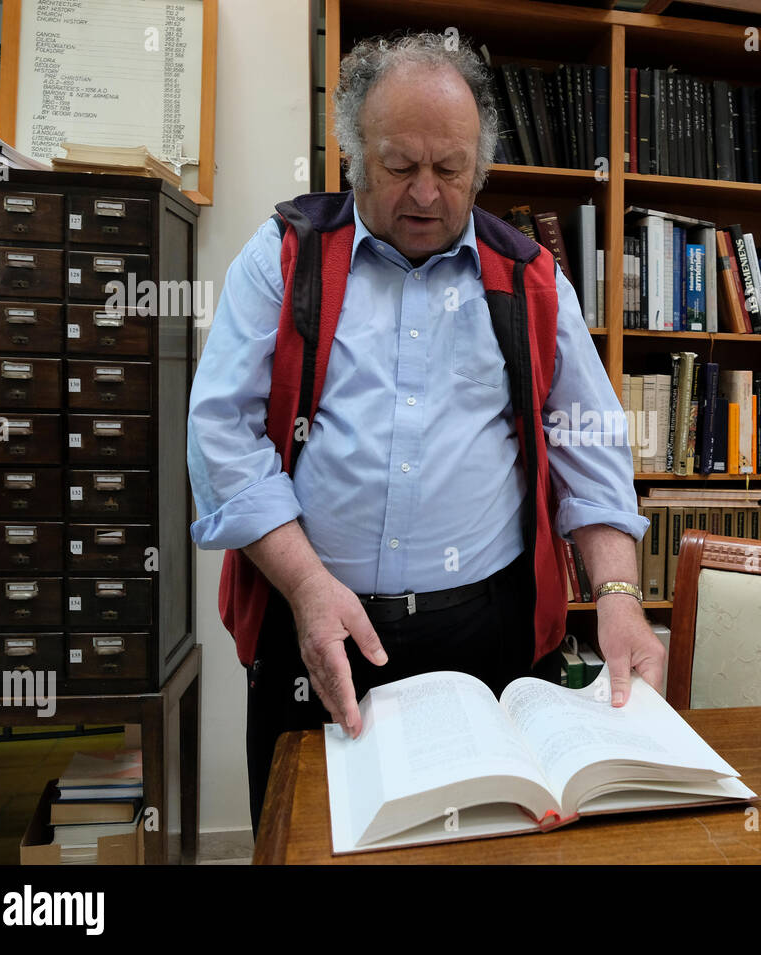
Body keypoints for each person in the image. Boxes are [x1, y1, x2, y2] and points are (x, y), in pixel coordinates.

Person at [187, 31, 665, 832]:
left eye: (450, 169)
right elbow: (221, 436)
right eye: (399, 165)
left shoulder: (530, 279)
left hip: (488, 632)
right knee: (309, 833)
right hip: (315, 618)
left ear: (478, 167)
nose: (426, 193)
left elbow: (589, 441)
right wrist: (306, 586)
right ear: (351, 155)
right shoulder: (285, 257)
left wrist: (618, 595)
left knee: (492, 841)